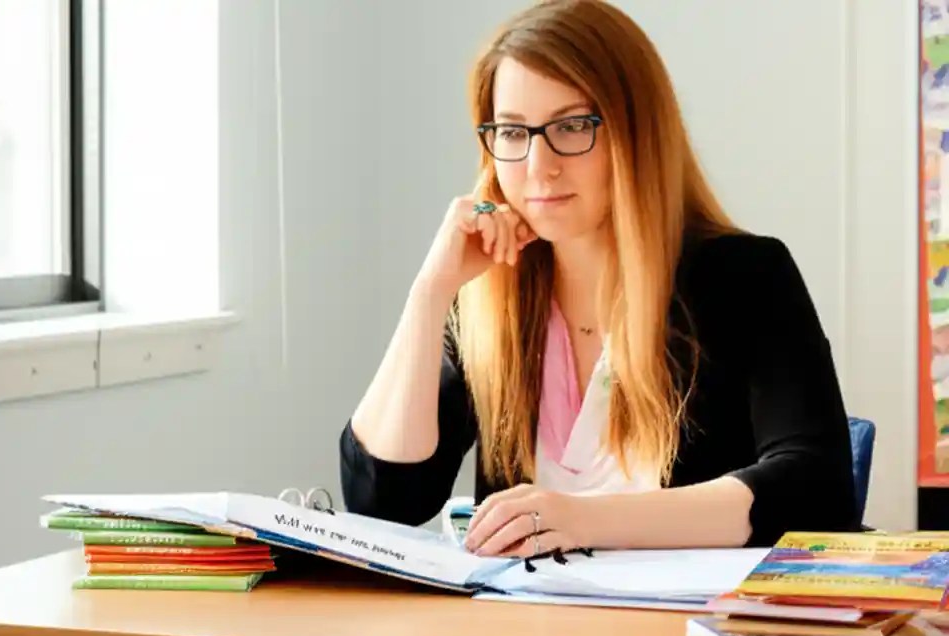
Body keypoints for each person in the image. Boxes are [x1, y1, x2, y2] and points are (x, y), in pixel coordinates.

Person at [338, 0, 859, 558]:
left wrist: (586, 520)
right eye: (513, 133)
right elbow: (384, 502)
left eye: (571, 126)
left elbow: (816, 492)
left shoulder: (745, 277)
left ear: (637, 133)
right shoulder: (491, 299)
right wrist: (430, 294)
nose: (539, 164)